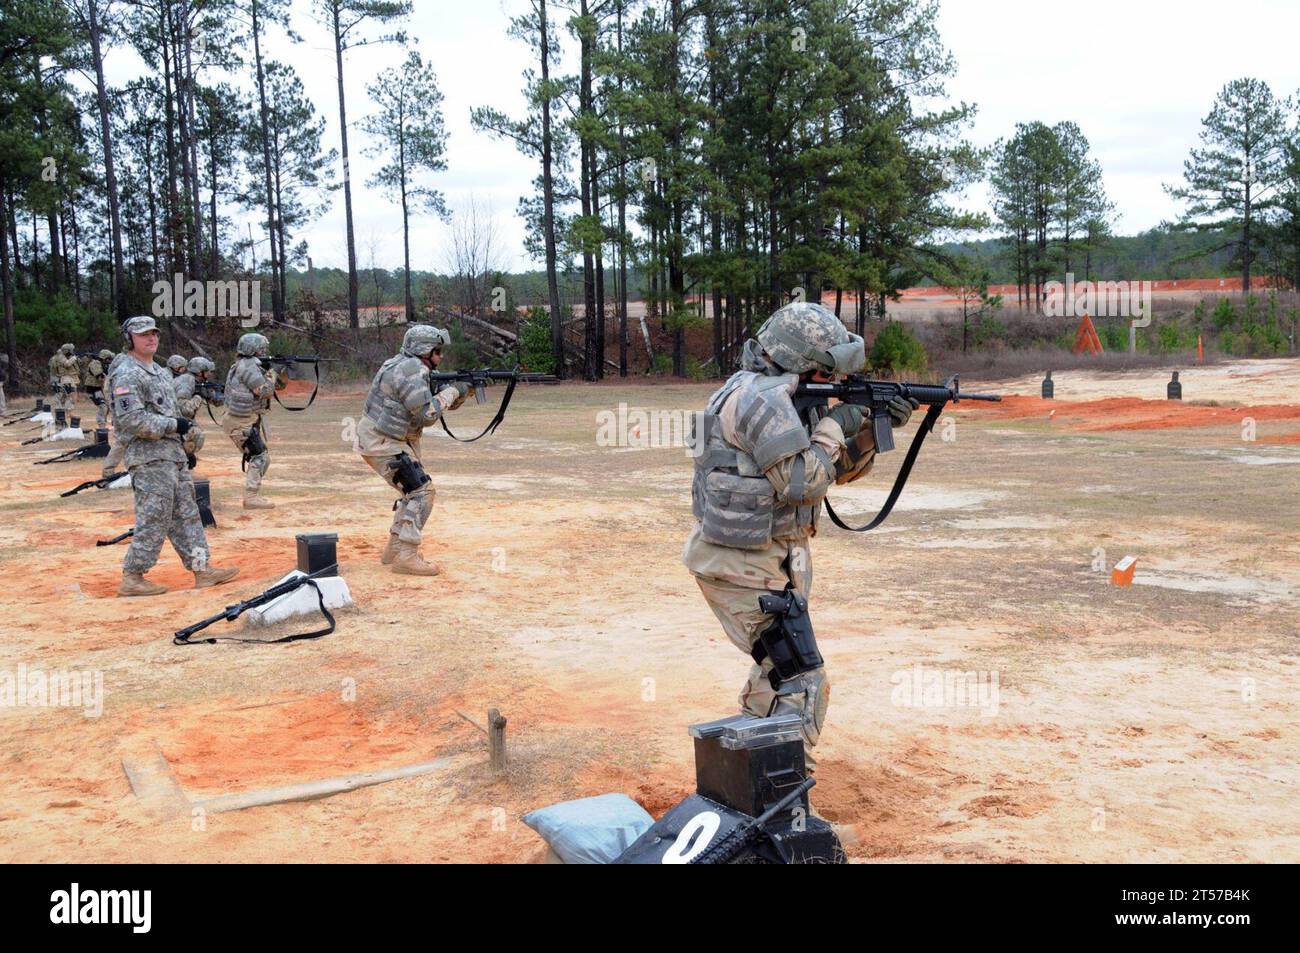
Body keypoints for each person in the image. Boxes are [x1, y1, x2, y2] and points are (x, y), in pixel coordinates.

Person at [682, 301, 917, 769]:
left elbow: (831, 473)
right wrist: (836, 423)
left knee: (777, 676)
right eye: (823, 369)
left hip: (759, 561)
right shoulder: (762, 401)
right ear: (801, 360)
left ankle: (749, 785)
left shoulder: (775, 395)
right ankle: (783, 809)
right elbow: (800, 482)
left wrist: (868, 429)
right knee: (803, 682)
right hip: (744, 568)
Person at [108, 316, 238, 597]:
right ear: (129, 338)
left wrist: (184, 443)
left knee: (187, 514)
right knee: (154, 515)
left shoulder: (159, 371)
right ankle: (133, 576)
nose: (151, 338)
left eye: (154, 333)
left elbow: (170, 412)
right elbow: (131, 420)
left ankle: (202, 569)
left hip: (171, 453)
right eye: (143, 335)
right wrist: (173, 426)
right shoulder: (127, 373)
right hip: (148, 456)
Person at [353, 325, 471, 575]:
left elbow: (421, 408)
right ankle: (406, 555)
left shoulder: (399, 364)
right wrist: (452, 392)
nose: (440, 357)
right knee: (422, 492)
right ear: (423, 350)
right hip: (382, 441)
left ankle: (395, 549)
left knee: (412, 490)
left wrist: (461, 393)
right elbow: (427, 414)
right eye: (437, 351)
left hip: (383, 439)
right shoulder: (412, 370)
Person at [221, 333, 284, 509]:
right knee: (260, 457)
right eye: (262, 349)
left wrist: (278, 371)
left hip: (244, 420)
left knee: (262, 457)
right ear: (253, 349)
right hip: (239, 423)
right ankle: (251, 498)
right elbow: (265, 391)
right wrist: (274, 372)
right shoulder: (248, 367)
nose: (265, 351)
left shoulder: (248, 365)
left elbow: (278, 386)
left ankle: (252, 496)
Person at [82, 349, 113, 428]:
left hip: (99, 388)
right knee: (102, 406)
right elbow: (100, 377)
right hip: (93, 388)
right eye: (108, 359)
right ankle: (101, 426)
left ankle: (103, 421)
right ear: (104, 358)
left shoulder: (103, 364)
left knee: (108, 405)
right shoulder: (95, 363)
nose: (110, 361)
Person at [50, 344, 80, 415]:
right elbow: (67, 364)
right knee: (69, 396)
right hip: (66, 379)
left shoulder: (62, 357)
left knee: (63, 398)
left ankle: (61, 414)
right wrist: (74, 358)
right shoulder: (61, 357)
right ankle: (67, 413)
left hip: (65, 379)